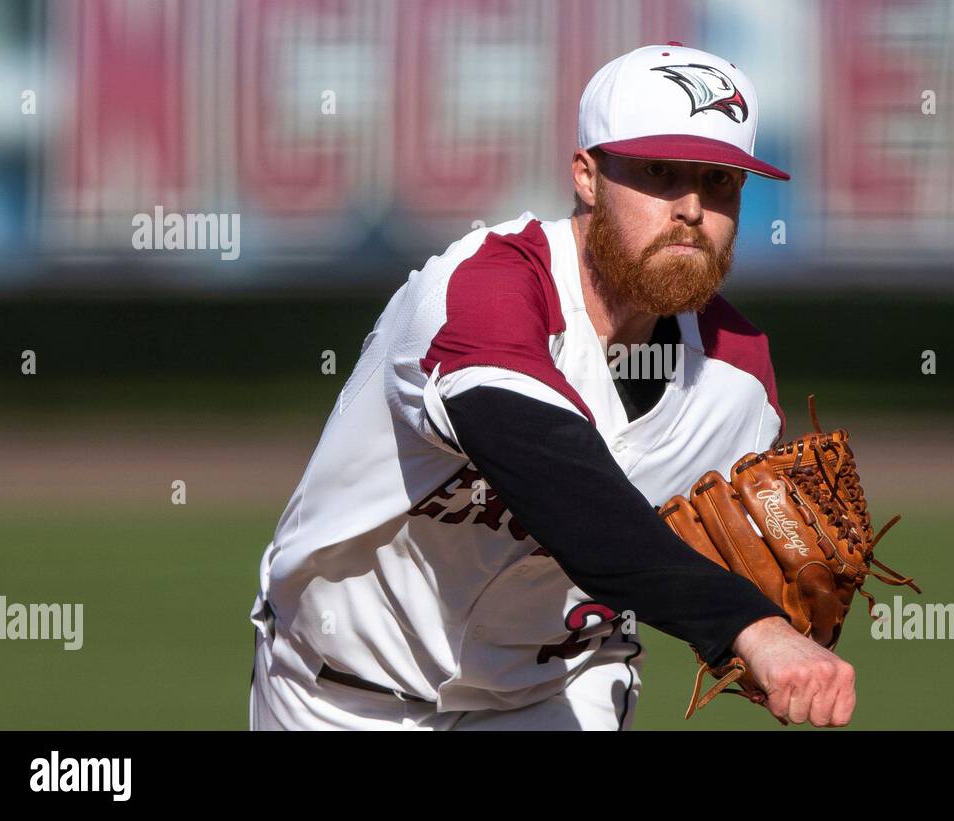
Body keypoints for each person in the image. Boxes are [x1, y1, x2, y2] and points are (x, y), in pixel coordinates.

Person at [248, 42, 856, 730]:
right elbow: (562, 483)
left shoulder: (737, 377)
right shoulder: (481, 290)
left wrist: (783, 614)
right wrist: (744, 622)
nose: (691, 207)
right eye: (659, 172)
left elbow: (751, 566)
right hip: (336, 695)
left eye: (719, 182)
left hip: (558, 694)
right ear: (587, 176)